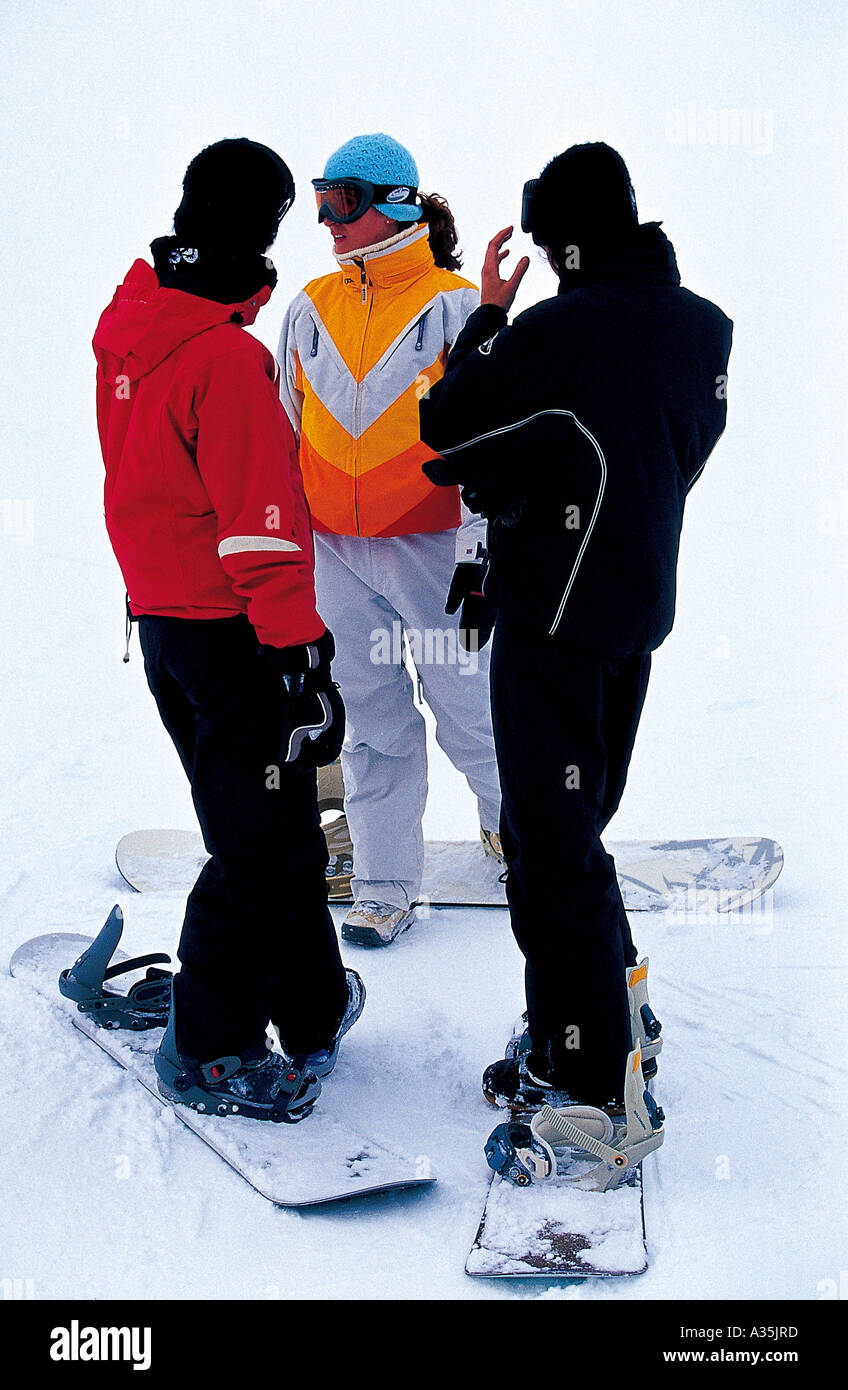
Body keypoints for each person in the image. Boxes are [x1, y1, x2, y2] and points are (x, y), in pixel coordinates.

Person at [420, 143, 733, 1111]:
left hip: (552, 615)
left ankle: (583, 1070)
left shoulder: (562, 326)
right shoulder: (703, 327)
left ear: (558, 244)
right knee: (572, 828)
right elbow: (663, 453)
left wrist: (487, 317)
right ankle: (612, 1004)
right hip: (634, 609)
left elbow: (445, 429)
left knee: (546, 846)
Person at [93, 138, 364, 1123]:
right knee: (257, 849)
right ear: (264, 228)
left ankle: (313, 1005)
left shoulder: (131, 329)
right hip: (238, 635)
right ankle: (208, 1047)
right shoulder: (224, 358)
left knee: (271, 828)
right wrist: (300, 652)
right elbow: (257, 528)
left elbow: (153, 487)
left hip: (166, 629)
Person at [276, 133, 502, 948]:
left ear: (395, 205)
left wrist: (481, 555)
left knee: (470, 709)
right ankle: (382, 882)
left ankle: (513, 835)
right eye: (321, 200)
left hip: (435, 550)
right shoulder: (309, 307)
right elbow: (284, 431)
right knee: (370, 721)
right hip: (337, 551)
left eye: (344, 202)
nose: (328, 221)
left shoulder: (454, 306)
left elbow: (489, 445)